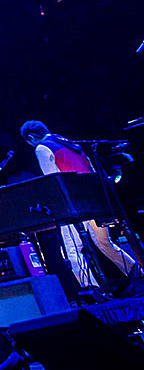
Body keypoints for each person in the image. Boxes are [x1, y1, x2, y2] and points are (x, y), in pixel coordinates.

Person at [20, 120, 141, 287]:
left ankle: (91, 289)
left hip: (73, 205)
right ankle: (138, 273)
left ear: (31, 138)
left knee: (72, 249)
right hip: (94, 201)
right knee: (105, 243)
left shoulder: (42, 148)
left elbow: (56, 181)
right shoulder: (72, 144)